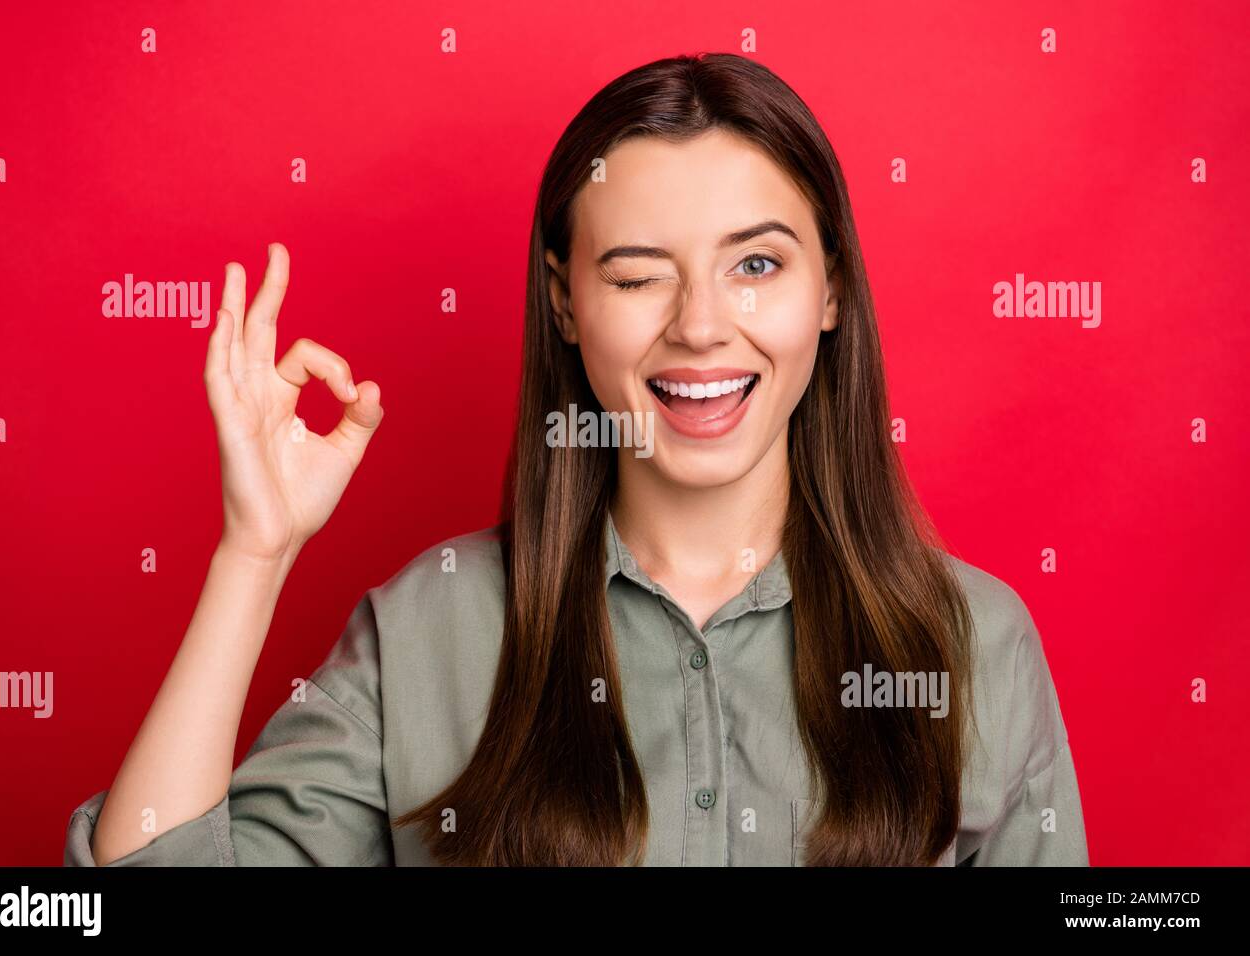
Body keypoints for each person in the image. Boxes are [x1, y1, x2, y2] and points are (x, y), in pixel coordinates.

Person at [64, 52, 1088, 867]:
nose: (700, 326)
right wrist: (255, 552)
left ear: (829, 293)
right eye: (639, 275)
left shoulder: (976, 646)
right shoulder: (428, 629)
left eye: (757, 265)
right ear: (565, 301)